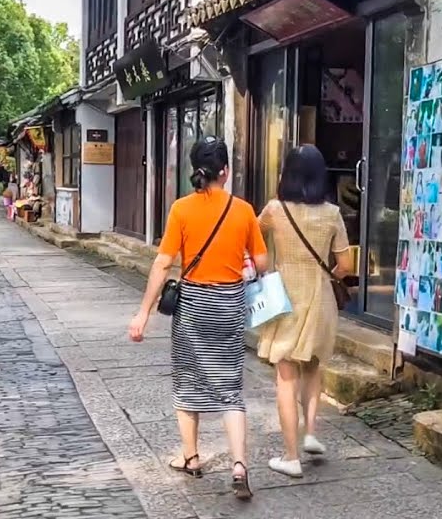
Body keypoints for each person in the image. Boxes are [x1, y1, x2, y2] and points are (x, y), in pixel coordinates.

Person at [127, 137, 268, 501]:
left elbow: (163, 262)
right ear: (226, 171)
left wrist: (143, 312)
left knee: (188, 381)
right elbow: (262, 263)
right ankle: (239, 465)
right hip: (229, 305)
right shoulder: (244, 210)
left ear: (197, 170)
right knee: (230, 388)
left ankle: (191, 457)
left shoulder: (181, 209)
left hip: (193, 306)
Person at [256, 145, 352, 479]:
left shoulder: (275, 209)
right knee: (313, 368)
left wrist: (263, 264)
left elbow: (251, 238)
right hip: (321, 297)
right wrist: (325, 272)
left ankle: (291, 456)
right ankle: (311, 432)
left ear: (288, 175)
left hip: (284, 298)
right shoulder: (332, 213)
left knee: (286, 377)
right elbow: (346, 265)